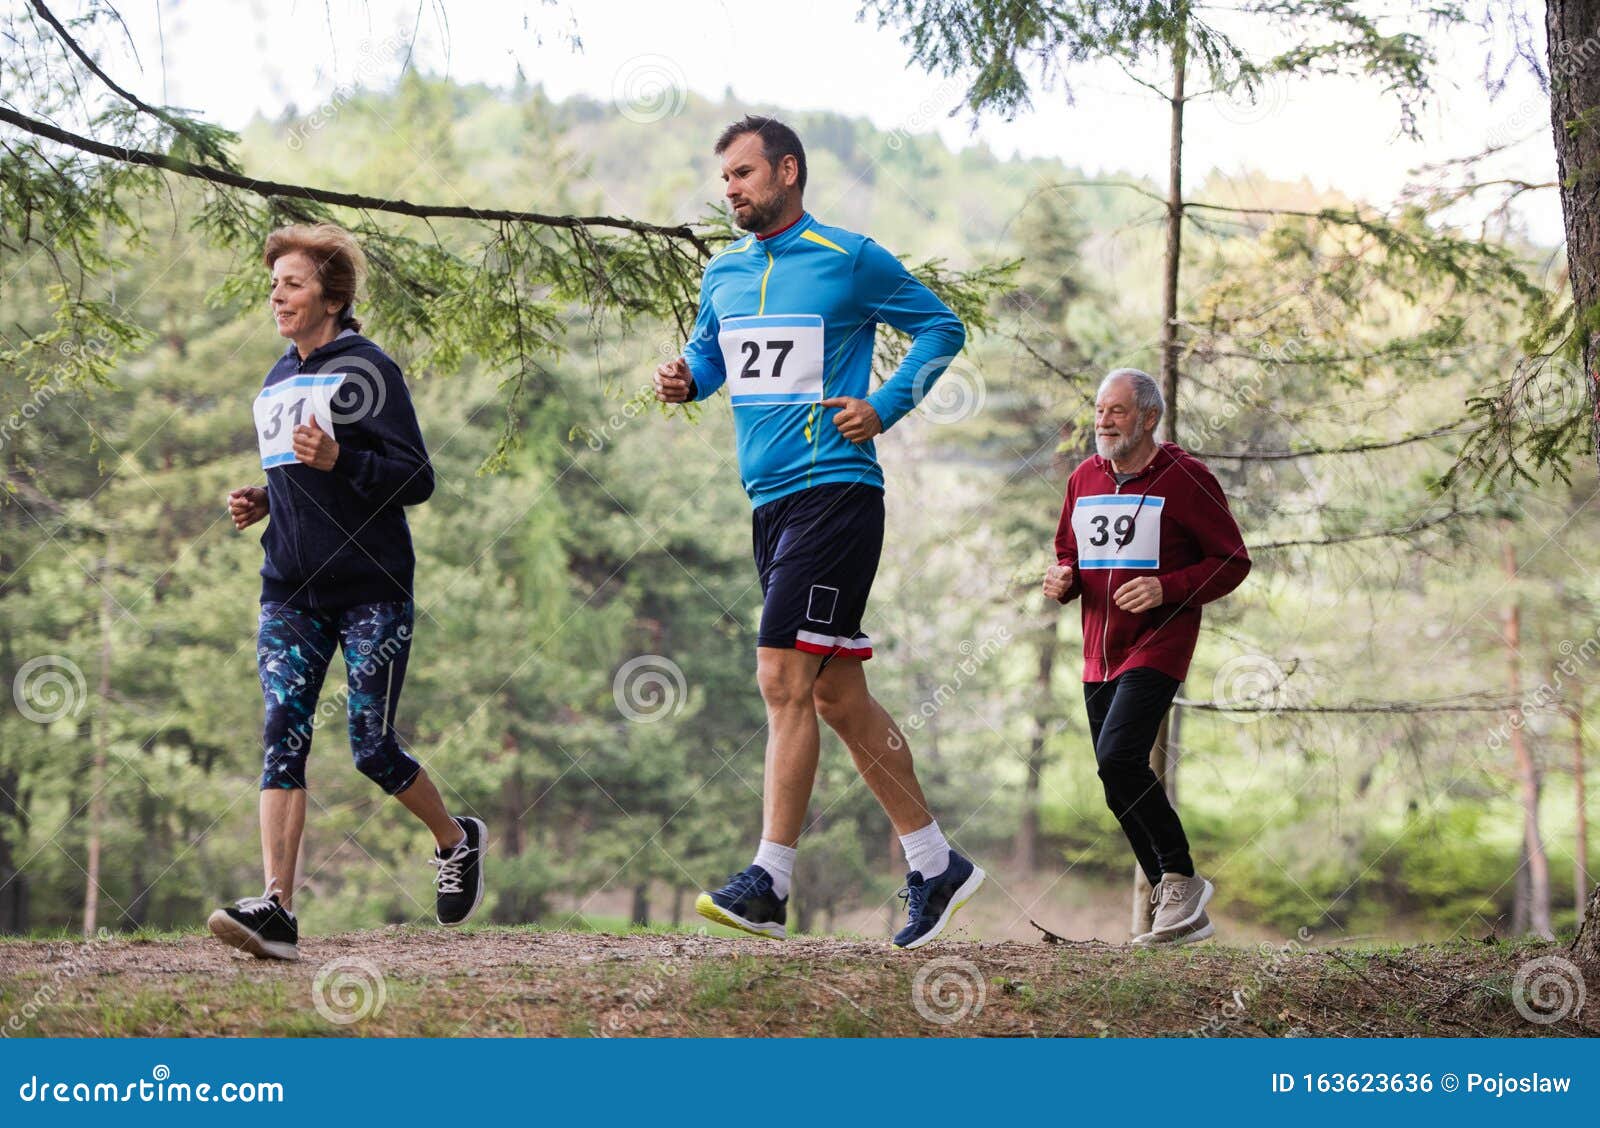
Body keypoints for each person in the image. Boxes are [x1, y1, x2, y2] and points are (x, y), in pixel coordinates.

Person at [654, 115, 983, 950]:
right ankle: (935, 861)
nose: (730, 189)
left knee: (780, 675)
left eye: (743, 173)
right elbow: (711, 355)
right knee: (835, 695)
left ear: (787, 172)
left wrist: (886, 404)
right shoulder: (723, 272)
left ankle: (769, 878)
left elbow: (942, 326)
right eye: (723, 177)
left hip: (836, 492)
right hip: (768, 503)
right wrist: (685, 377)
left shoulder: (850, 258)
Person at [207, 223, 486, 961]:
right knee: (282, 734)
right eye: (274, 285)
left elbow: (415, 478)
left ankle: (455, 839)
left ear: (331, 296)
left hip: (371, 590)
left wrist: (340, 458)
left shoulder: (368, 369)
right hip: (290, 589)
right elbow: (295, 472)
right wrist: (265, 500)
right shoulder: (275, 378)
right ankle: (277, 908)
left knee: (370, 746)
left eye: (292, 283)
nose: (277, 295)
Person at [1043, 368, 1250, 945]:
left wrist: (1167, 587)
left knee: (1118, 757)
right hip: (1097, 651)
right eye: (1100, 410)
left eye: (1117, 411)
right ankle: (1178, 902)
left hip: (1158, 642)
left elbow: (1233, 560)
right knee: (1115, 779)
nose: (1103, 421)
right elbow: (1069, 549)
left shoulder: (1186, 478)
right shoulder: (1085, 477)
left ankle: (1179, 874)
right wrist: (1064, 578)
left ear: (1149, 418)